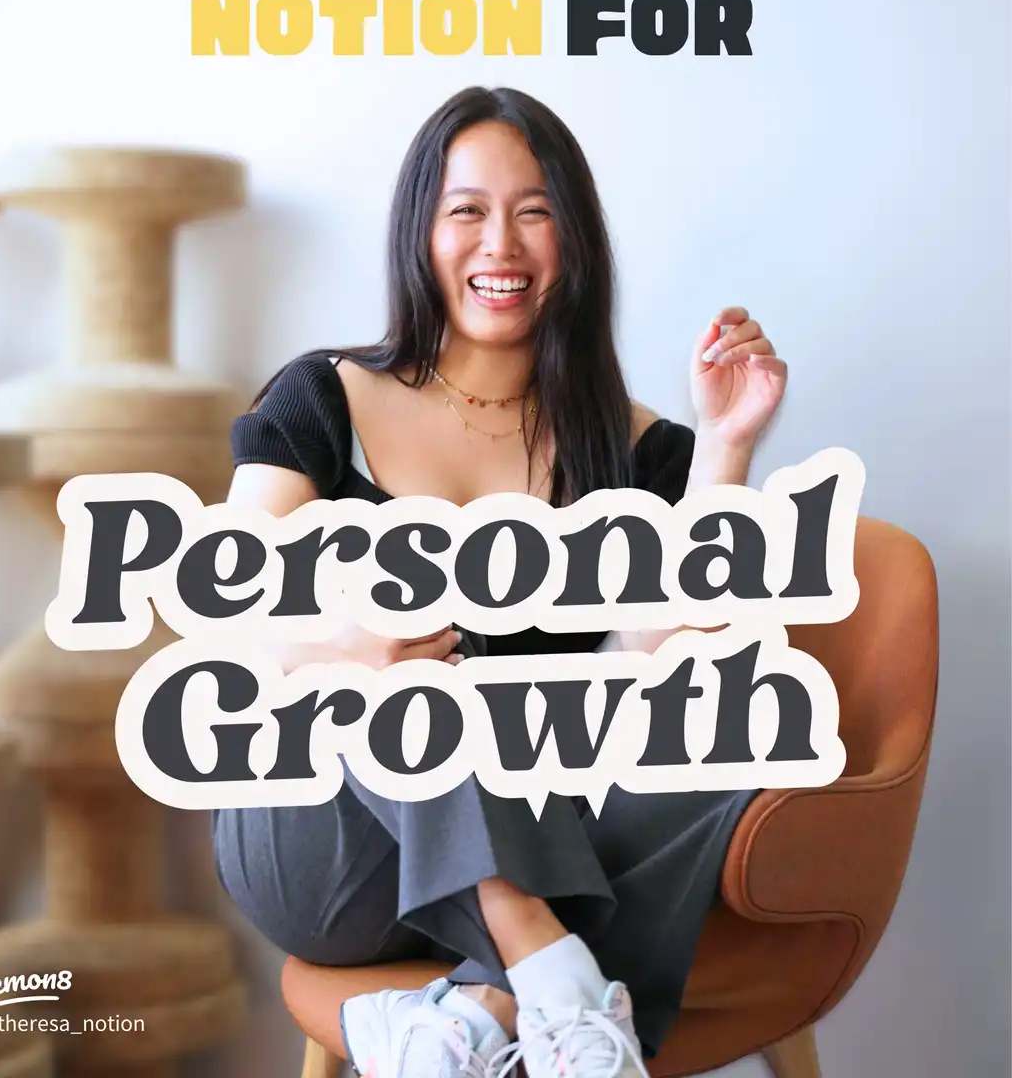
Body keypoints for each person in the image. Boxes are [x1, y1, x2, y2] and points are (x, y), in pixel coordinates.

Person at [211, 86, 788, 1078]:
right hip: (329, 845)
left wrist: (726, 451)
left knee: (730, 725)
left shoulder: (641, 448)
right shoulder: (322, 398)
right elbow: (221, 619)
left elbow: (652, 680)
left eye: (534, 210)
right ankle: (550, 974)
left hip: (550, 839)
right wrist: (350, 648)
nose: (501, 245)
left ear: (575, 238)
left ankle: (480, 1014)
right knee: (412, 662)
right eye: (467, 210)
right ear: (420, 232)